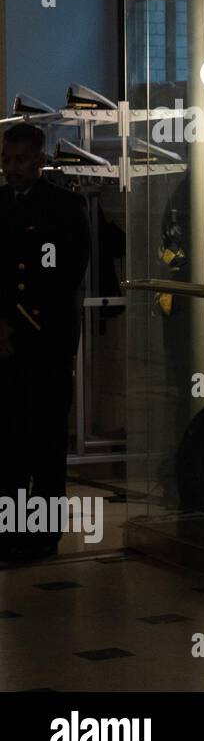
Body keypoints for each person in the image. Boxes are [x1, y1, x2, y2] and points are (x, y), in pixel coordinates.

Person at [0, 122, 91, 561]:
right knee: (8, 443)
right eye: (6, 160)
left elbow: (61, 277)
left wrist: (15, 323)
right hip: (4, 343)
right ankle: (9, 529)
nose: (11, 169)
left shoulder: (64, 207)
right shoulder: (0, 204)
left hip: (44, 340)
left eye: (20, 160)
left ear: (40, 159)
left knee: (46, 441)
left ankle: (42, 533)